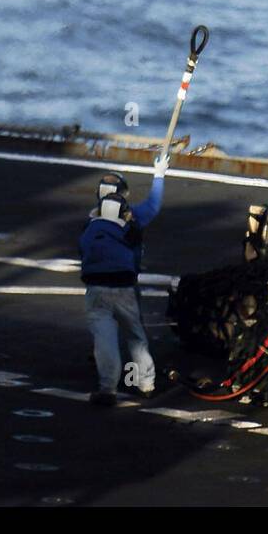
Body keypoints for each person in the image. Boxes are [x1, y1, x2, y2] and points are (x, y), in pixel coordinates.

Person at [80, 153, 169, 406]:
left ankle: (108, 388)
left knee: (104, 339)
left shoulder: (91, 222)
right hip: (125, 287)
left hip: (96, 289)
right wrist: (159, 175)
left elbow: (83, 250)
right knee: (135, 335)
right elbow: (153, 205)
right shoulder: (132, 220)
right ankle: (146, 383)